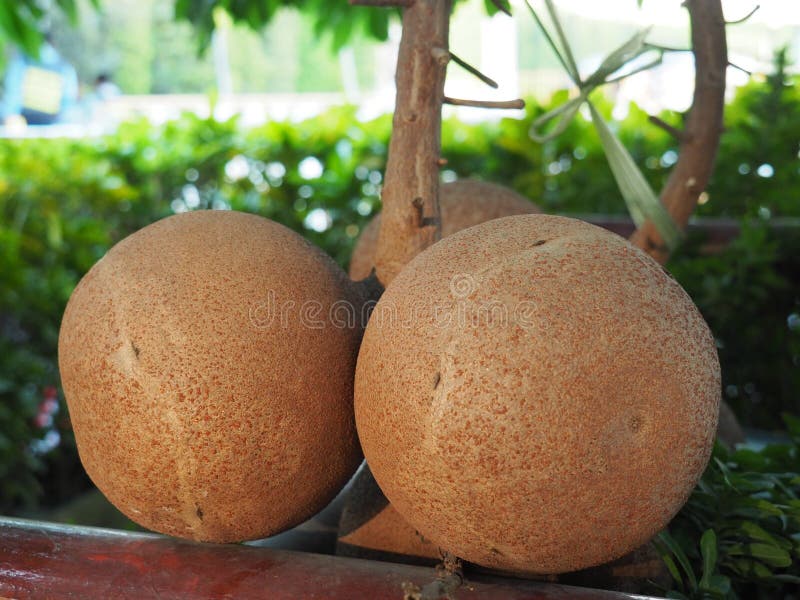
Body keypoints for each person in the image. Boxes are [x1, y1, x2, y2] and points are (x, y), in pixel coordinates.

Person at [1, 33, 79, 126]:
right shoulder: (65, 68)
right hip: (52, 125)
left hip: (22, 122)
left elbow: (12, 92)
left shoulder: (22, 60)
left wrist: (9, 115)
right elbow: (68, 103)